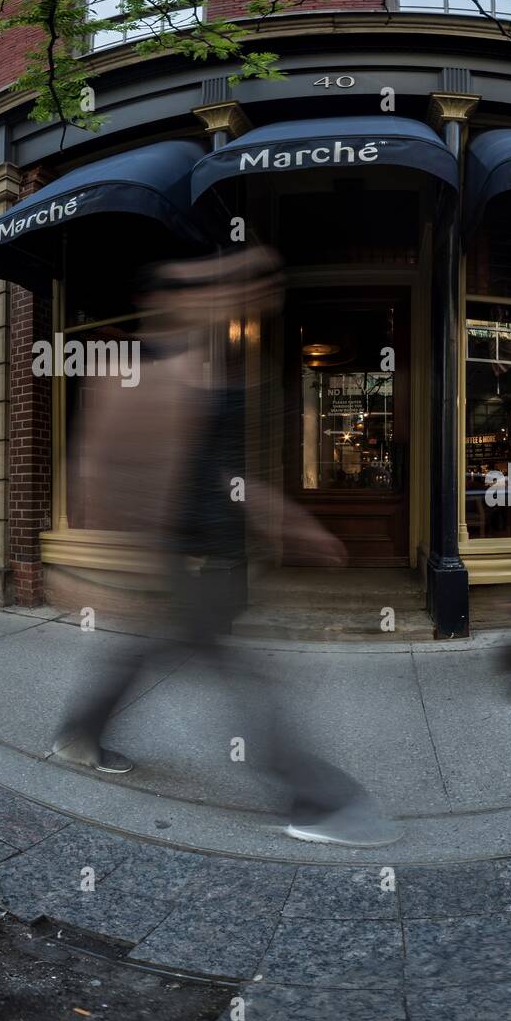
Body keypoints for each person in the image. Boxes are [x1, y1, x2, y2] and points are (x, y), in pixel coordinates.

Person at [49, 244, 399, 849]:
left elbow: (223, 477)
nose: (222, 293)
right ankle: (317, 797)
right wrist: (101, 567)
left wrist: (290, 522)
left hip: (214, 553)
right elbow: (96, 472)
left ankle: (78, 733)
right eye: (200, 285)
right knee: (243, 675)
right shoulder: (134, 372)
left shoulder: (217, 371)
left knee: (151, 654)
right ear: (158, 300)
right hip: (180, 559)